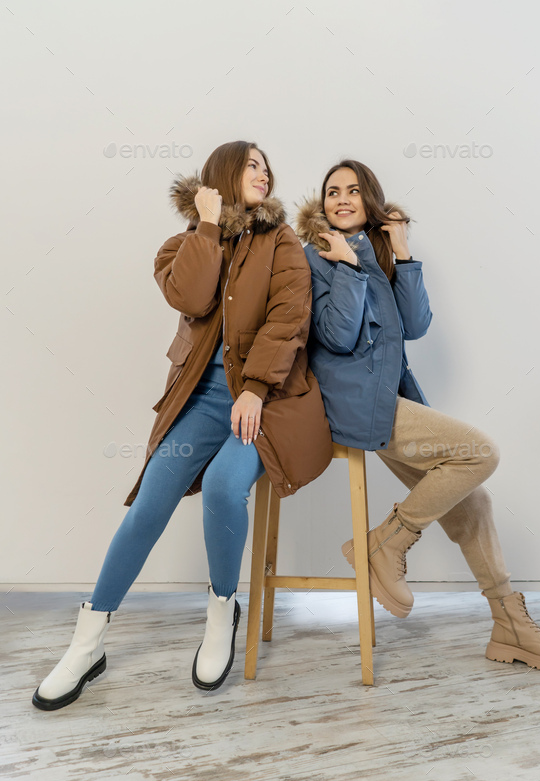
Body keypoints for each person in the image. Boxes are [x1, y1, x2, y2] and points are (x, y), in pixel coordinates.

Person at [32, 141, 333, 710]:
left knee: (224, 488)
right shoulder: (182, 245)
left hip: (265, 403)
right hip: (200, 403)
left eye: (268, 167)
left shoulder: (283, 241)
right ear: (221, 175)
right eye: (252, 165)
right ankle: (87, 642)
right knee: (150, 503)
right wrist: (210, 225)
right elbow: (192, 296)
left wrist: (253, 388)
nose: (265, 174)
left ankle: (223, 610)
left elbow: (290, 318)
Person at [295, 158, 540, 674]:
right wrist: (347, 268)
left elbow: (417, 325)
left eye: (353, 191)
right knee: (479, 451)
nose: (340, 199)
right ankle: (386, 542)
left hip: (389, 396)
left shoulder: (375, 251)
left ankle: (508, 623)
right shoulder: (313, 257)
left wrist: (401, 254)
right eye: (332, 190)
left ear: (370, 200)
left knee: (473, 500)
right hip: (352, 401)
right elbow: (335, 337)